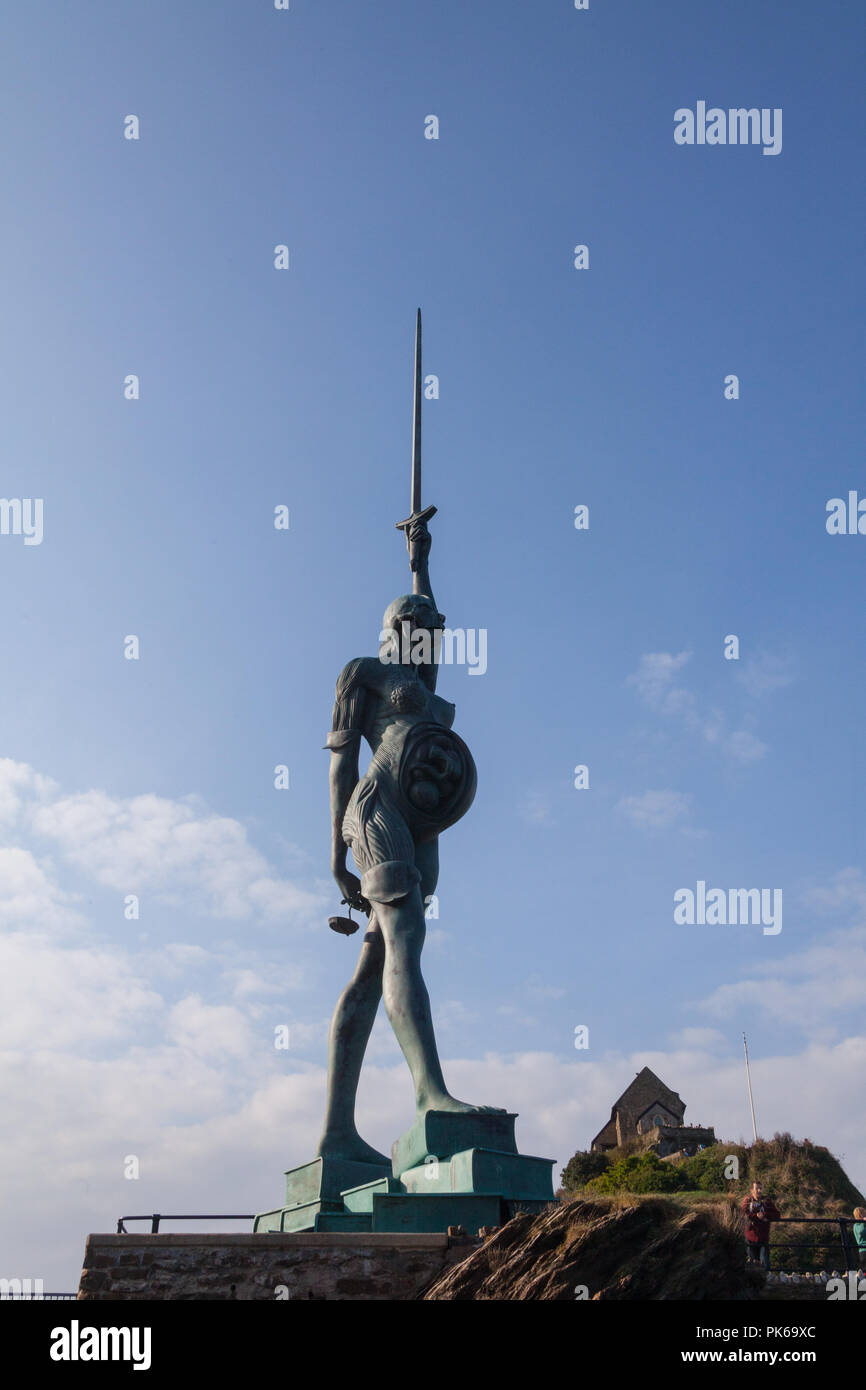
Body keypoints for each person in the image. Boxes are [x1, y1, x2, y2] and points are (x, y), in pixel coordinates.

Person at [316, 514, 502, 1164]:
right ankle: (431, 1096)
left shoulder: (424, 685)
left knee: (377, 962)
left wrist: (418, 556)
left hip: (423, 822)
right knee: (404, 943)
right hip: (375, 810)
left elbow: (432, 621)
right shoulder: (363, 673)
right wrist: (336, 851)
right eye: (411, 626)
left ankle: (337, 1135)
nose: (422, 637)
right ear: (392, 629)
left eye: (429, 631)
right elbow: (340, 762)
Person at [741, 1181, 781, 1271]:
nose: (759, 1190)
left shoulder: (766, 1201)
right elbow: (743, 1214)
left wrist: (765, 1215)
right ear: (751, 1190)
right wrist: (757, 1217)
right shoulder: (747, 1201)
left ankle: (766, 1283)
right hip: (751, 1238)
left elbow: (777, 1214)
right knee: (752, 1265)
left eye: (760, 1188)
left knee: (765, 1265)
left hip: (763, 1238)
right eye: (757, 1188)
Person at [852, 1207, 866, 1274]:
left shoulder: (855, 1225)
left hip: (862, 1250)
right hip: (863, 1249)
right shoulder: (858, 1225)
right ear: (861, 1214)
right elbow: (862, 1232)